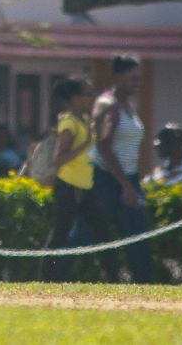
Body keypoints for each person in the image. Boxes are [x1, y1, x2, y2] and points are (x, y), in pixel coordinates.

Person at [40, 76, 118, 282]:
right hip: (68, 186)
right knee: (60, 234)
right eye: (87, 94)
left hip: (84, 186)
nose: (92, 98)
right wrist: (84, 145)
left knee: (102, 232)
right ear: (74, 98)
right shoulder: (69, 122)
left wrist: (102, 131)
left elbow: (94, 146)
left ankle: (114, 279)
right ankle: (46, 279)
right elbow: (59, 157)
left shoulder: (84, 120)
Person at [88, 54, 154, 283]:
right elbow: (103, 147)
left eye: (139, 78)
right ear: (117, 76)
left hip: (128, 177)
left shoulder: (129, 106)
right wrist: (126, 186)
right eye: (132, 77)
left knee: (137, 235)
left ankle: (143, 285)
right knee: (88, 232)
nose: (137, 83)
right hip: (107, 179)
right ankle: (55, 276)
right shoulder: (108, 105)